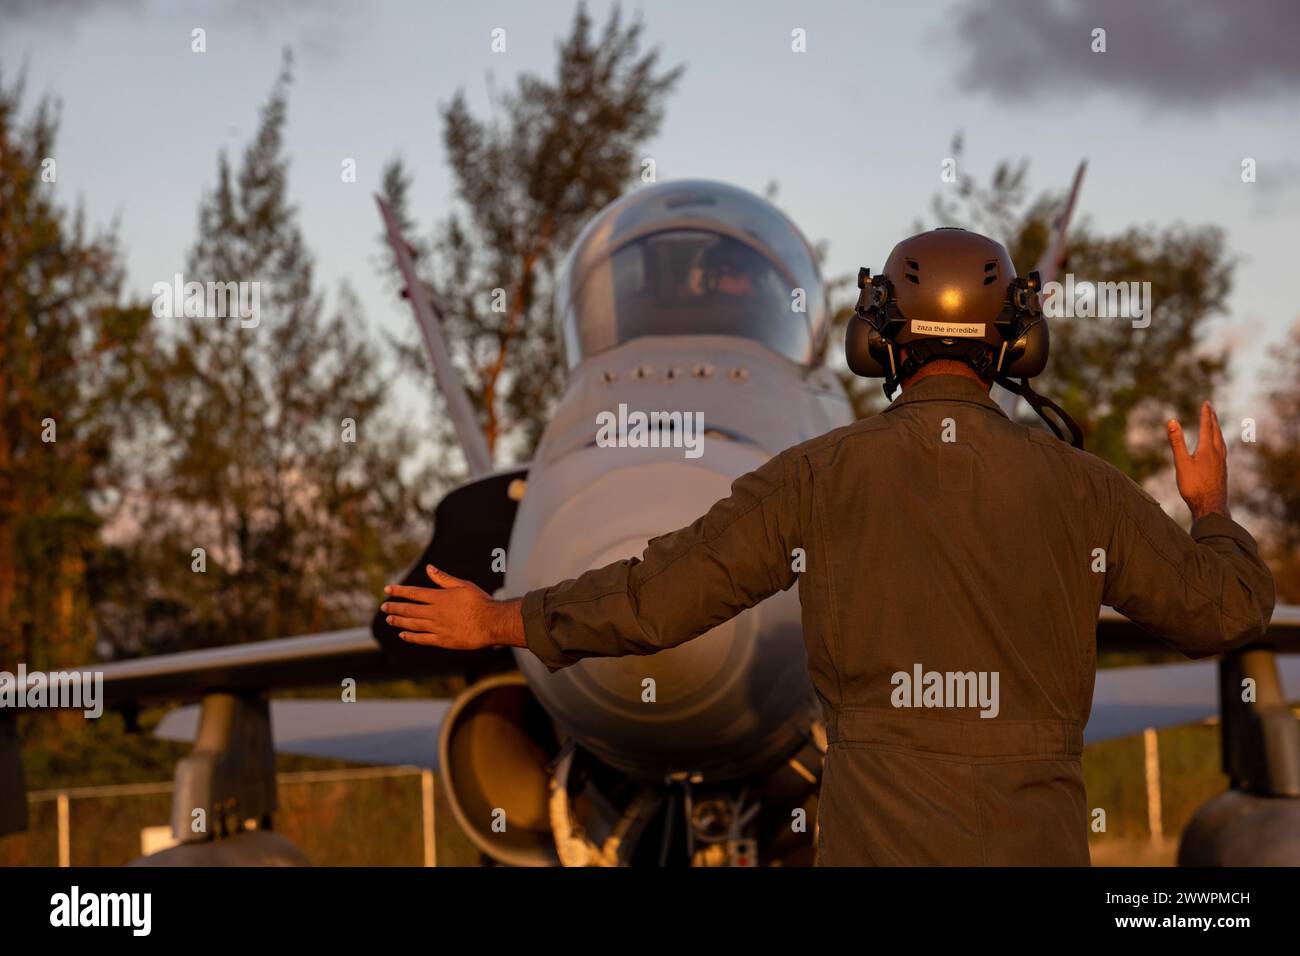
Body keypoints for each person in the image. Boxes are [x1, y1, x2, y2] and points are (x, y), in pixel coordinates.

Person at [379, 228, 1275, 865]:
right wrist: (1210, 512)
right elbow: (1225, 612)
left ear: (878, 342)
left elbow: (659, 601)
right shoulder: (1083, 489)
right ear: (1019, 347)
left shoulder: (818, 476)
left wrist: (500, 619)